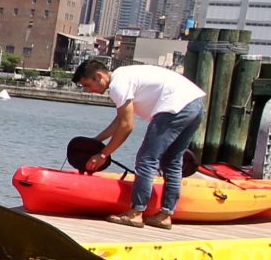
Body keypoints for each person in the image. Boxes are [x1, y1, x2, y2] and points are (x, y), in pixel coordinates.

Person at [71, 57, 207, 229]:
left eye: (87, 85)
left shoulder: (117, 85)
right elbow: (120, 121)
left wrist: (103, 154)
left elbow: (127, 126)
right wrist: (96, 142)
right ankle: (165, 215)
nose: (87, 90)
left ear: (99, 76)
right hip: (195, 105)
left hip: (174, 108)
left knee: (146, 159)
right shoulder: (124, 76)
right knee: (172, 161)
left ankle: (135, 213)